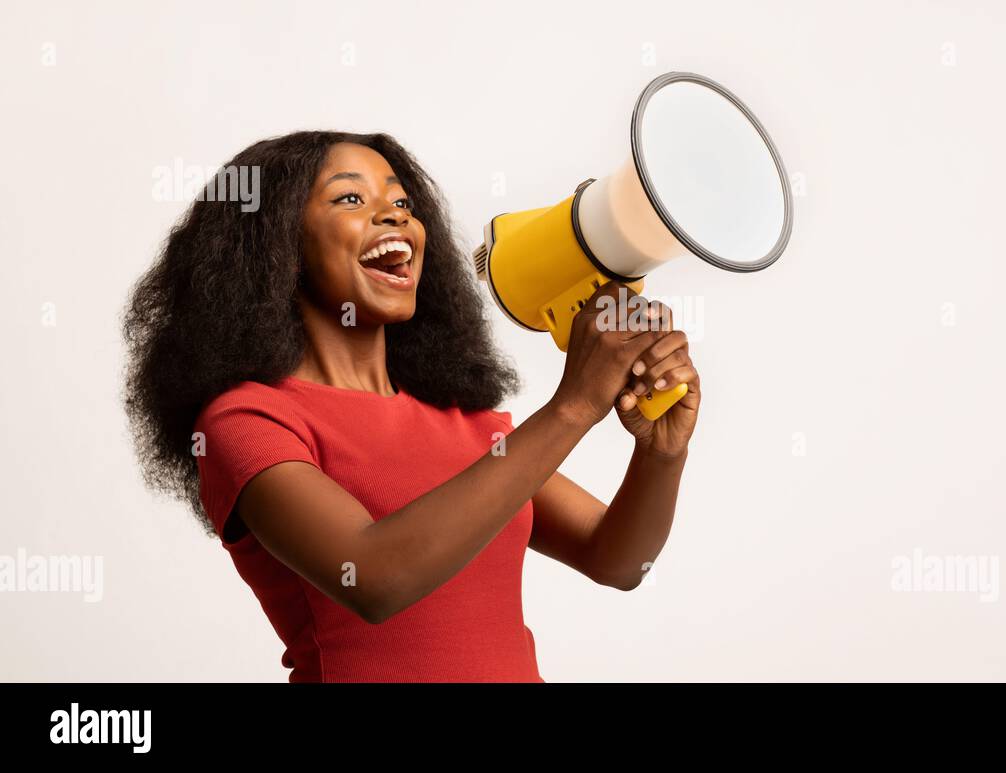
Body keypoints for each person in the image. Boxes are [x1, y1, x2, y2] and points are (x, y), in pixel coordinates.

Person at [122, 131, 700, 682]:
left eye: (402, 201)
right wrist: (572, 408)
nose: (396, 214)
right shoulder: (246, 421)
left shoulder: (468, 422)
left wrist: (661, 454)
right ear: (276, 245)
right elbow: (374, 578)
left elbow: (617, 561)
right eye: (351, 198)